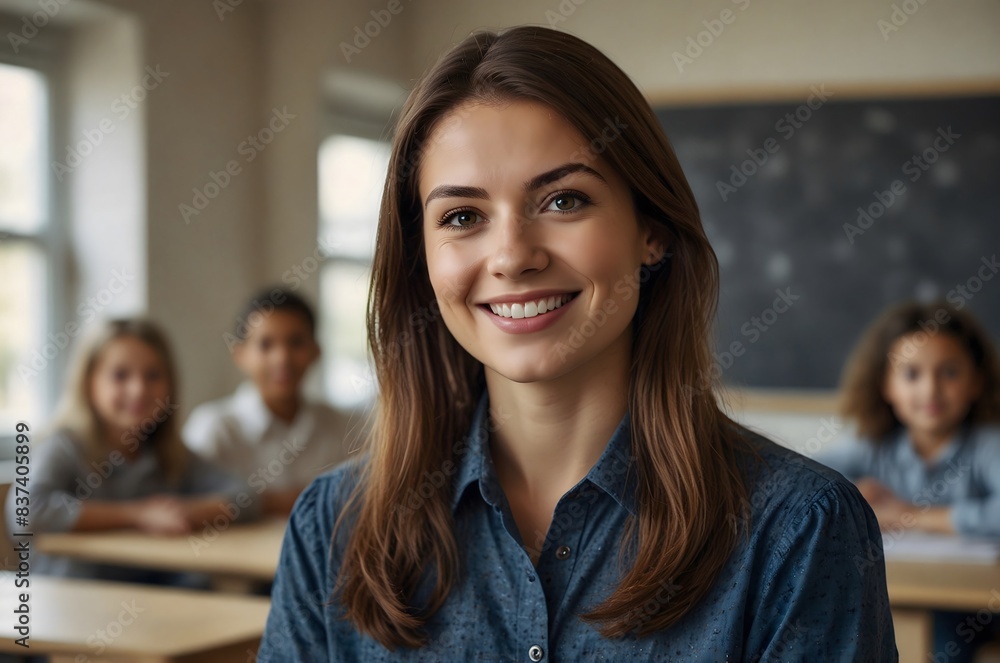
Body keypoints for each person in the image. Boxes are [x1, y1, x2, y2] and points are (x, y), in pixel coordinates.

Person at [259, 26, 896, 661]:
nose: (511, 256)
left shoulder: (800, 530)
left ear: (652, 232)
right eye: (462, 217)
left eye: (564, 200)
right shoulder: (332, 528)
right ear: (421, 259)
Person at [4, 318, 259, 582]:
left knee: (203, 582)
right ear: (89, 383)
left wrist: (184, 511)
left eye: (153, 376)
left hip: (148, 599)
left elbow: (246, 498)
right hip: (74, 603)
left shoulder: (167, 453)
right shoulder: (64, 446)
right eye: (120, 375)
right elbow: (25, 513)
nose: (138, 389)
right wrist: (138, 515)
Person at [818, 300, 1000, 663]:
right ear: (886, 385)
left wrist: (909, 515)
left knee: (944, 640)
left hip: (982, 603)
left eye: (949, 372)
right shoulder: (877, 447)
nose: (931, 390)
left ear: (976, 381)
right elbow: (805, 474)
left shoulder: (988, 445)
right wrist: (853, 493)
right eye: (912, 374)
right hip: (911, 594)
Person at [184, 287, 362, 516]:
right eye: (266, 344)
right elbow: (189, 508)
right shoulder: (213, 427)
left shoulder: (346, 428)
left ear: (316, 351)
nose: (282, 358)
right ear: (240, 355)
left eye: (296, 342)